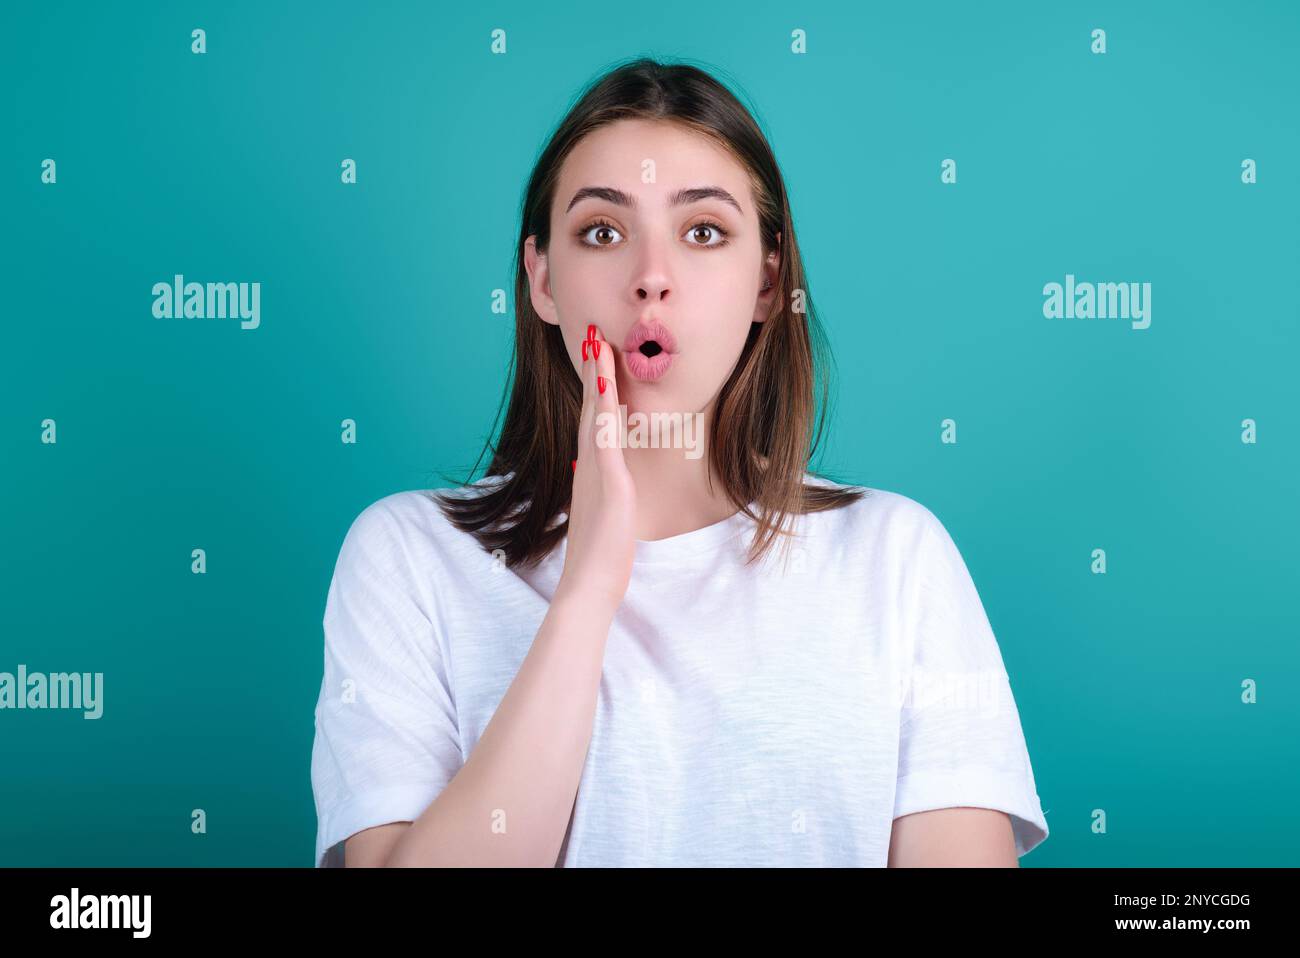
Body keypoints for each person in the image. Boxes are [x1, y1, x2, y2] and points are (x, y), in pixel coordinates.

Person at [310, 57, 1049, 867]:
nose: (651, 280)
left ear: (768, 283)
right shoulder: (407, 556)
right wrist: (589, 584)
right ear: (543, 280)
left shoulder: (898, 559)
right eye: (603, 232)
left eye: (703, 232)